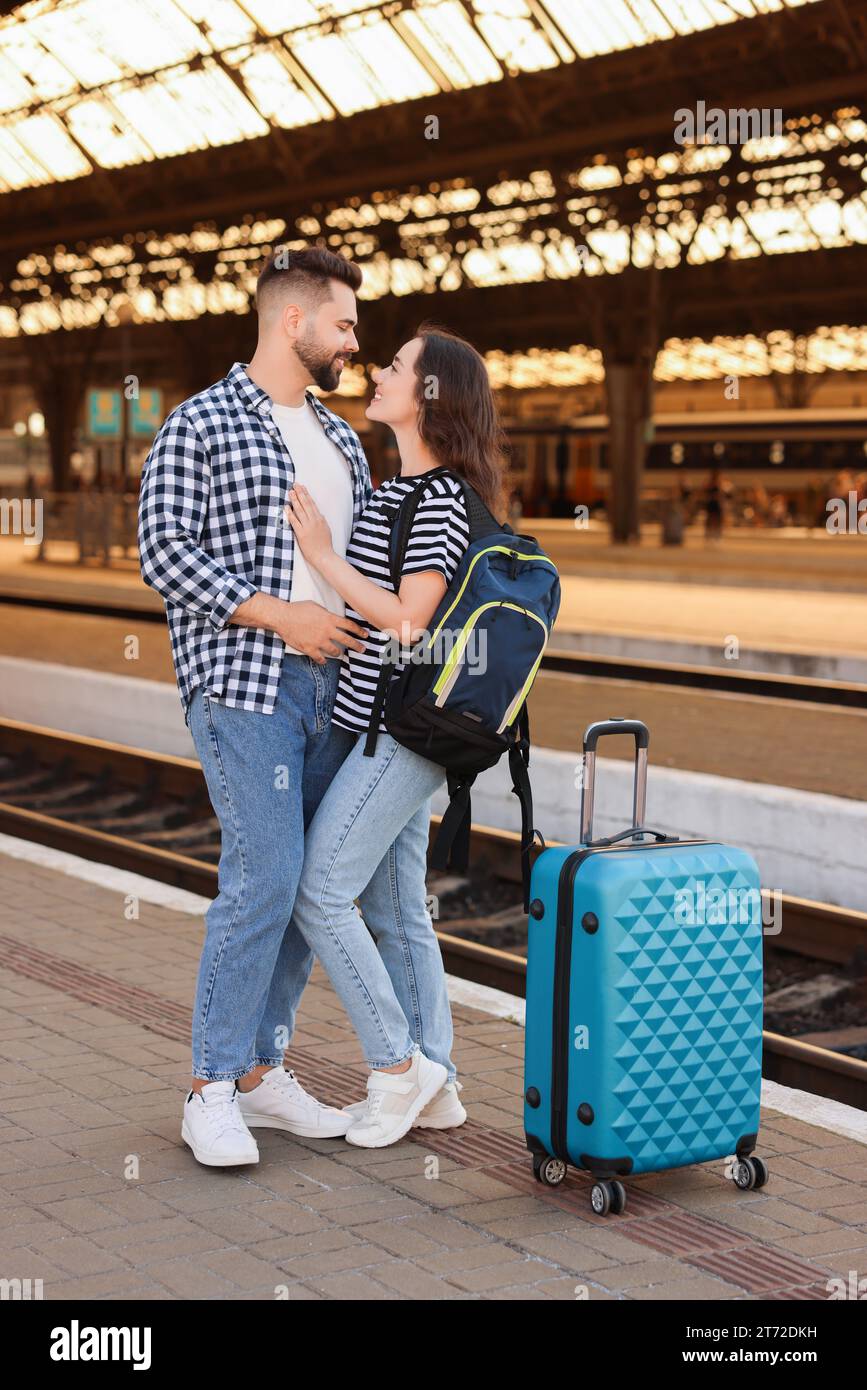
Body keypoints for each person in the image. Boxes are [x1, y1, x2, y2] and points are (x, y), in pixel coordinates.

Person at [138, 247, 373, 1167]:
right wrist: (286, 617)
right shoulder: (199, 423)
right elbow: (163, 552)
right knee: (266, 873)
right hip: (246, 682)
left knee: (311, 886)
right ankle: (208, 1086)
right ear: (294, 322)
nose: (355, 340)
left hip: (337, 691)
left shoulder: (344, 438)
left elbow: (359, 570)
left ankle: (260, 1072)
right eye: (344, 324)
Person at [284, 323, 507, 1148]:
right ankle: (438, 1081)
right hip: (387, 723)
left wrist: (321, 556)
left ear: (432, 396)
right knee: (395, 905)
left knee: (319, 888)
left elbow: (410, 621)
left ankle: (393, 1066)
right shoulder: (393, 489)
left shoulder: (441, 496)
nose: (378, 370)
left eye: (398, 366)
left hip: (403, 733)